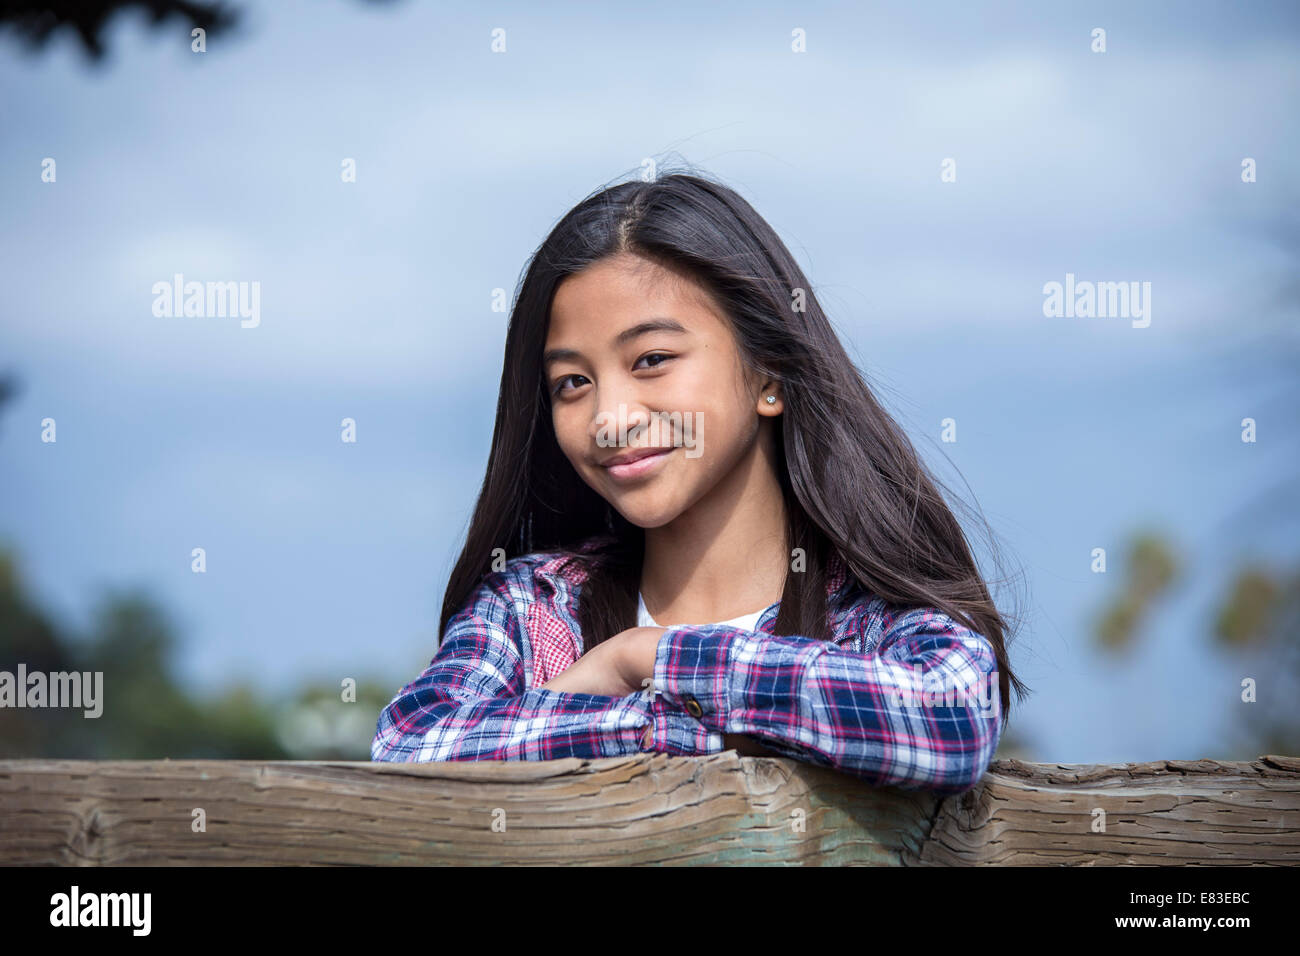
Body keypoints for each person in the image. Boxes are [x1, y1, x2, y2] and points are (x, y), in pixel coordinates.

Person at [371, 170, 1028, 794]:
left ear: (768, 374)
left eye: (651, 360)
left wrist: (647, 661)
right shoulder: (534, 608)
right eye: (573, 382)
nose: (609, 418)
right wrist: (659, 724)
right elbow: (411, 750)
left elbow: (951, 716)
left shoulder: (862, 617)